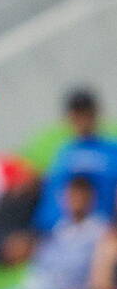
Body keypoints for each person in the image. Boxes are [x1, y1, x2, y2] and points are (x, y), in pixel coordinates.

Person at [34, 90, 117, 234]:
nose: (82, 120)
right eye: (77, 115)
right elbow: (52, 194)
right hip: (64, 229)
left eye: (86, 114)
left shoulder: (111, 150)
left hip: (103, 228)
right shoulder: (62, 152)